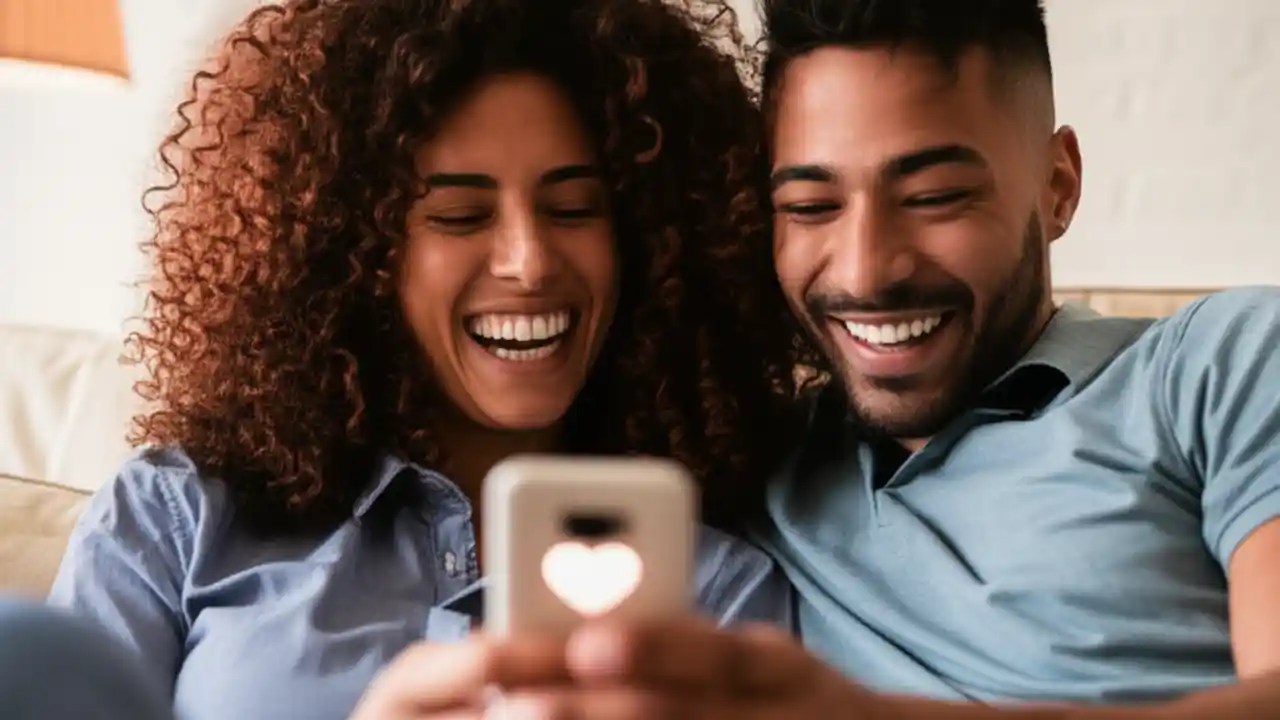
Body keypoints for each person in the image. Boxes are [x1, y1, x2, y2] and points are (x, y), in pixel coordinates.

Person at [382, 0, 1280, 717]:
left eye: (934, 197)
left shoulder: (1221, 366)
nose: (864, 271)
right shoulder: (753, 460)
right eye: (810, 207)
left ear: (1058, 186)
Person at [47, 1, 808, 718]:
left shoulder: (718, 588)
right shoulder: (177, 515)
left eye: (574, 209)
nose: (529, 262)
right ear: (353, 250)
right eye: (460, 215)